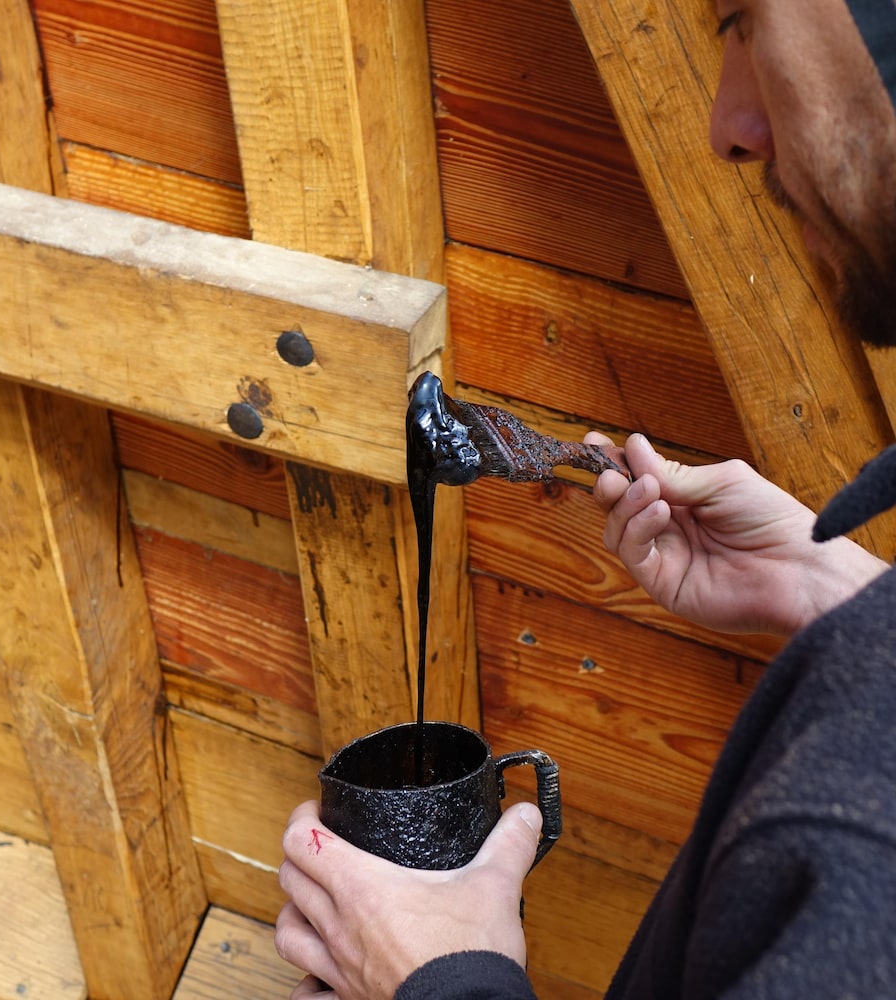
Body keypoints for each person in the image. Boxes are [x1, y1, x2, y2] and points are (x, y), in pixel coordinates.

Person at [273, 0, 896, 996]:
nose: (728, 125)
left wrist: (436, 975)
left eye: (744, 20)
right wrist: (842, 597)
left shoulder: (860, 843)